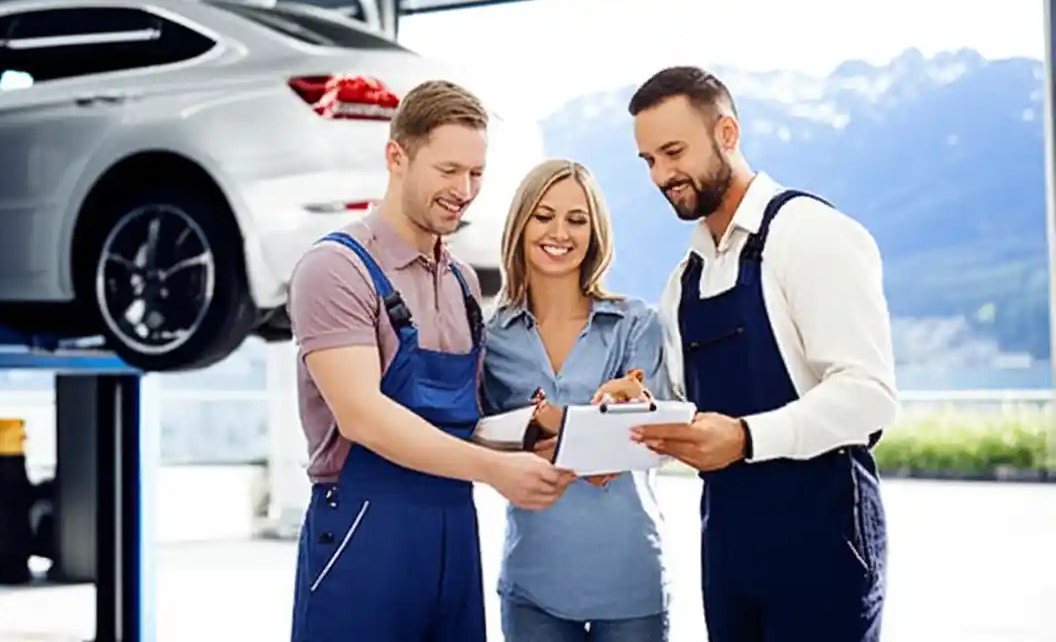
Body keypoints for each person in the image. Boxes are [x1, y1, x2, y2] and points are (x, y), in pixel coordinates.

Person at [606, 65, 898, 642]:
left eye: (673, 151)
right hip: (730, 543)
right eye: (649, 162)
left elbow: (869, 398)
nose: (663, 175)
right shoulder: (683, 282)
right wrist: (645, 408)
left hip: (824, 538)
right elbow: (691, 409)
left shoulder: (810, 235)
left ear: (728, 134)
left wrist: (743, 438)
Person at [286, 79, 574, 642]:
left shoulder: (464, 281)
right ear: (397, 156)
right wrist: (495, 471)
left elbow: (466, 421)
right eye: (448, 170)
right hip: (362, 534)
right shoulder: (335, 268)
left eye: (476, 174)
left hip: (452, 530)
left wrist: (542, 437)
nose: (464, 190)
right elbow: (362, 417)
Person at [480, 158, 672, 642]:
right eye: (544, 216)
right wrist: (588, 428)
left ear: (595, 232)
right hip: (533, 583)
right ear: (521, 225)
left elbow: (656, 440)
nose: (559, 232)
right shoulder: (489, 339)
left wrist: (557, 422)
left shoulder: (634, 324)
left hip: (631, 582)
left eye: (576, 219)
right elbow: (479, 442)